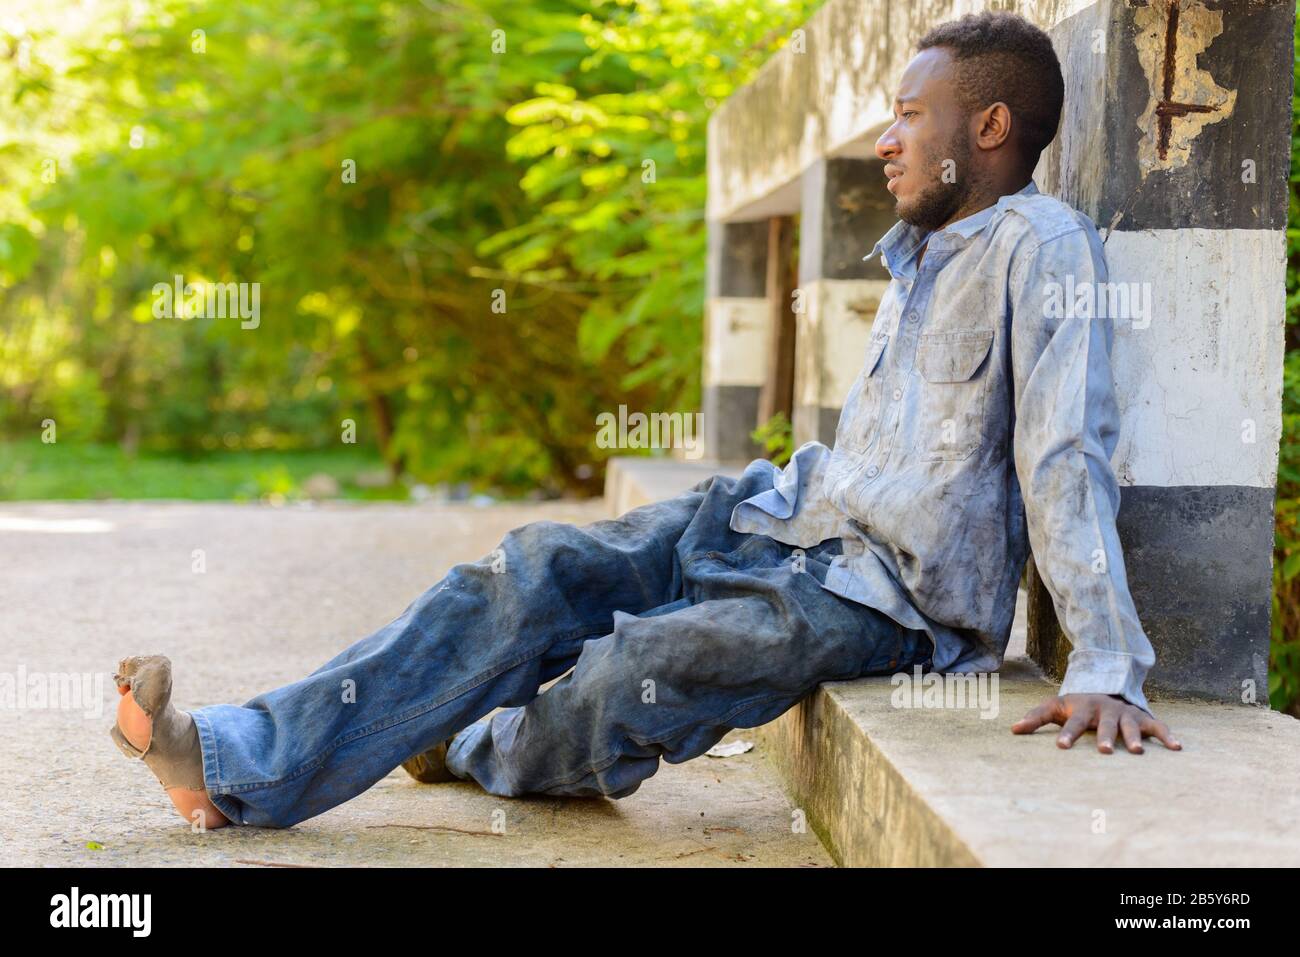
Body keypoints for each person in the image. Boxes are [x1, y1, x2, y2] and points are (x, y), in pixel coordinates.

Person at [111, 10, 1180, 831]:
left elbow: (1063, 453)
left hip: (883, 604)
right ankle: (228, 761)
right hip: (781, 515)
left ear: (987, 127)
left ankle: (472, 740)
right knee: (525, 573)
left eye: (909, 115)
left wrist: (1102, 662)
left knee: (632, 671)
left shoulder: (1043, 250)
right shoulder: (918, 251)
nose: (887, 141)